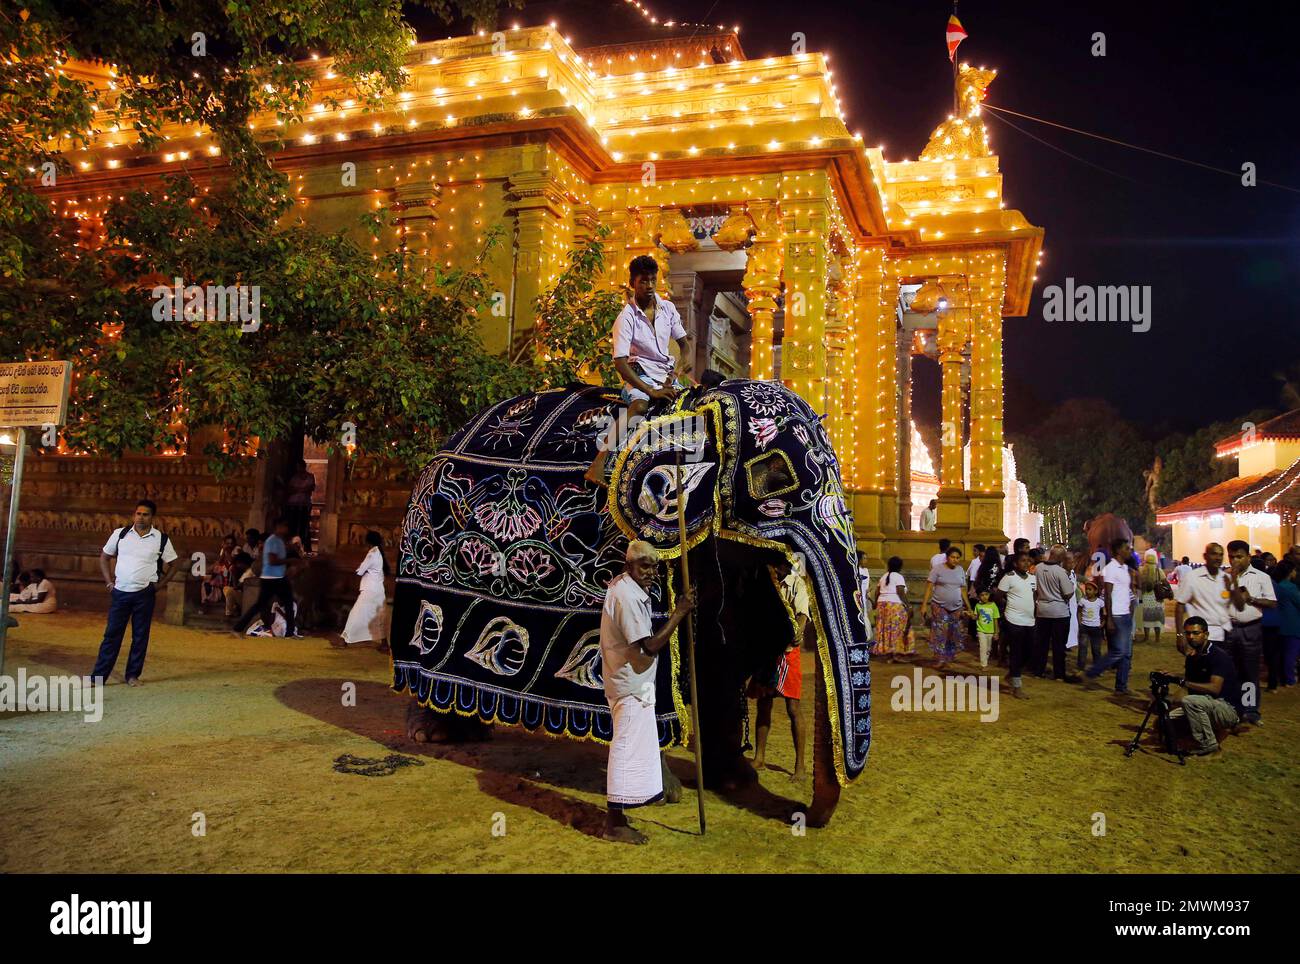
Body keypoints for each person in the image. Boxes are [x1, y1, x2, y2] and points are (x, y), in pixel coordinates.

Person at [600, 540, 694, 845]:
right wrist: (679, 613)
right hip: (628, 685)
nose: (651, 572)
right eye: (644, 566)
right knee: (624, 749)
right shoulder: (626, 596)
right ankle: (614, 822)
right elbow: (649, 645)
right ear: (629, 566)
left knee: (635, 748)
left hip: (637, 682)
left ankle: (626, 809)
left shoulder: (631, 590)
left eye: (654, 566)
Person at [585, 255, 689, 486]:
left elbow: (685, 345)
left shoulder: (668, 309)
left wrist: (682, 366)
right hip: (638, 374)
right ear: (633, 282)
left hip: (665, 375)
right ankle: (598, 463)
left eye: (653, 280)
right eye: (643, 281)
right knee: (640, 405)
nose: (649, 286)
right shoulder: (626, 318)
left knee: (690, 406)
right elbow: (621, 364)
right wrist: (651, 391)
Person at [90, 500, 180, 686]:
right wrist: (108, 582)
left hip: (144, 594)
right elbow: (104, 557)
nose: (140, 517)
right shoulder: (120, 534)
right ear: (134, 515)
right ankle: (98, 677)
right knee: (111, 635)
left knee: (140, 636)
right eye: (138, 513)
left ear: (152, 517)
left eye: (145, 514)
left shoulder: (160, 538)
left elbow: (174, 565)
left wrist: (159, 585)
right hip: (120, 591)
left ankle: (132, 676)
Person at [750, 557, 810, 781]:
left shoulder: (797, 584)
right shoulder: (765, 583)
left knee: (793, 708)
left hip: (787, 652)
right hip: (767, 650)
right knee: (764, 704)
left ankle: (800, 766)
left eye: (778, 566)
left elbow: (803, 613)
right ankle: (760, 757)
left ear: (786, 566)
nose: (774, 569)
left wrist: (799, 630)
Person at [1166, 617, 1240, 756]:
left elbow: (1214, 688)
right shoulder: (1192, 657)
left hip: (1227, 708)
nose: (1190, 637)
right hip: (1206, 704)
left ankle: (1209, 744)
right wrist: (1167, 701)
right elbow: (1187, 689)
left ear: (1206, 634)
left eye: (1195, 633)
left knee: (1190, 702)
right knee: (1167, 719)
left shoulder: (1218, 656)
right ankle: (1206, 731)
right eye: (1187, 633)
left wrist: (1182, 681)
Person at [1224, 539, 1274, 725]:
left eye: (1239, 556)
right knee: (1230, 670)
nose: (1235, 560)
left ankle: (1250, 710)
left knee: (1249, 671)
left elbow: (1272, 603)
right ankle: (1233, 708)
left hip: (1250, 629)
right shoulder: (1224, 577)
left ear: (1248, 557)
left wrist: (1251, 599)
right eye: (1231, 556)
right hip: (1229, 628)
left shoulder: (1261, 577)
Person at [1085, 538, 1137, 694]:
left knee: (1126, 654)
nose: (1129, 551)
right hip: (1117, 615)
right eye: (1126, 548)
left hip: (1125, 615)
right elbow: (1107, 594)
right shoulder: (1111, 569)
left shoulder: (1124, 568)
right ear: (1118, 550)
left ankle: (1121, 686)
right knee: (1118, 651)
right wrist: (1109, 618)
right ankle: (1092, 672)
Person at [232, 519, 299, 640]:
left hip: (279, 577)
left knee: (288, 603)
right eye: (284, 526)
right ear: (278, 527)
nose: (286, 529)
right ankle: (238, 628)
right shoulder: (272, 541)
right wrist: (290, 561)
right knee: (259, 605)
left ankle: (290, 633)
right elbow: (272, 560)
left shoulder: (280, 541)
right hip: (270, 578)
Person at [994, 551, 1036, 699]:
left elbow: (1034, 595)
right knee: (1016, 652)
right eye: (1023, 561)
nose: (1026, 563)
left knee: (1029, 652)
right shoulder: (1009, 578)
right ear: (1015, 563)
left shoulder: (1032, 578)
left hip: (1030, 620)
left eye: (1028, 561)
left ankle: (1012, 674)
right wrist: (1007, 606)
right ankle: (1017, 686)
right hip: (1013, 620)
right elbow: (998, 596)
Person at [1174, 543, 1231, 651]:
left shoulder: (1226, 579)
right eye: (1214, 554)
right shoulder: (1193, 577)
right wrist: (1180, 635)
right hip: (1201, 637)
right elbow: (1180, 606)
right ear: (1205, 556)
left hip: (1225, 635)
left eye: (1220, 555)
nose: (1218, 558)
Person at [922, 545, 972, 668]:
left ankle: (949, 655)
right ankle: (940, 657)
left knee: (953, 632)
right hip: (940, 605)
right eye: (952, 557)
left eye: (957, 557)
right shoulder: (937, 569)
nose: (955, 559)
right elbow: (929, 587)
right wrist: (924, 605)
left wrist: (968, 606)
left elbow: (963, 589)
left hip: (957, 607)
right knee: (941, 631)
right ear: (947, 557)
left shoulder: (960, 570)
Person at [1032, 545, 1077, 682]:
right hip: (1059, 612)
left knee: (1042, 644)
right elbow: (1068, 593)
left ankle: (1038, 671)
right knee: (1059, 645)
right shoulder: (1060, 572)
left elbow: (1035, 589)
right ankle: (1059, 674)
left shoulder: (1038, 568)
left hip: (1042, 611)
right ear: (1061, 557)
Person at [340, 531, 390, 648]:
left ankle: (344, 640)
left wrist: (360, 571)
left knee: (355, 614)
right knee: (379, 616)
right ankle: (384, 643)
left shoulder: (372, 553)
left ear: (368, 541)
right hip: (378, 590)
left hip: (369, 590)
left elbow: (361, 570)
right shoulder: (379, 553)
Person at [872, 556, 913, 659]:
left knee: (884, 627)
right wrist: (908, 605)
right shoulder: (899, 577)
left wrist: (875, 604)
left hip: (882, 605)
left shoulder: (884, 576)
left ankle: (886, 651)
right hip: (894, 605)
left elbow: (877, 592)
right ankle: (896, 651)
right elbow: (900, 591)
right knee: (898, 627)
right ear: (900, 566)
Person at [1271, 560, 1300, 687]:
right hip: (1293, 624)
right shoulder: (1291, 587)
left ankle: (1283, 677)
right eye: (1294, 570)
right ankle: (1290, 679)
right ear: (1290, 572)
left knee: (1283, 654)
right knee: (1291, 654)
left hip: (1280, 623)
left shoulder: (1278, 585)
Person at [1135, 548, 1169, 643]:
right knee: (1157, 620)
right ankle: (1157, 638)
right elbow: (1165, 582)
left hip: (1146, 597)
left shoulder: (1141, 570)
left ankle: (1146, 637)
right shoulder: (1159, 571)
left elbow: (1138, 584)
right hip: (1157, 598)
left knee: (1146, 619)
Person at [283, 459, 316, 553]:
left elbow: (310, 488)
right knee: (293, 525)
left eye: (299, 466)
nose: (298, 468)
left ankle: (306, 547)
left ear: (303, 466)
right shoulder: (294, 478)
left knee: (304, 525)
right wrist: (302, 489)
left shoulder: (310, 477)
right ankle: (292, 546)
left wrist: (298, 489)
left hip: (305, 504)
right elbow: (290, 489)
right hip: (293, 504)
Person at [201, 534, 237, 610]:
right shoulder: (224, 549)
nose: (229, 545)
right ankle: (205, 600)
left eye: (231, 543)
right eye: (227, 543)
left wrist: (226, 551)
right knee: (206, 580)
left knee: (217, 573)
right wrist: (224, 550)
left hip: (232, 570)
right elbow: (220, 561)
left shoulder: (236, 549)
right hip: (223, 571)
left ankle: (207, 600)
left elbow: (231, 561)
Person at [1076, 581, 1105, 671]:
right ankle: (1081, 667)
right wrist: (1080, 622)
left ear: (1095, 591)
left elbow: (1104, 613)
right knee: (1082, 648)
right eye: (1086, 589)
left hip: (1096, 628)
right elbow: (1079, 611)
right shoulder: (1082, 601)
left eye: (1090, 589)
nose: (1087, 591)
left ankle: (1097, 668)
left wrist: (1102, 624)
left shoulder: (1100, 602)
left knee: (1096, 649)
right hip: (1085, 627)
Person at [973, 589, 999, 669]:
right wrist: (970, 615)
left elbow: (995, 619)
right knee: (983, 647)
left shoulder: (993, 605)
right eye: (982, 595)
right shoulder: (978, 606)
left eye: (986, 594)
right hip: (981, 630)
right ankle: (984, 664)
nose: (984, 597)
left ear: (989, 595)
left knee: (988, 648)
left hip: (990, 631)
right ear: (979, 597)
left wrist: (996, 632)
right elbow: (976, 617)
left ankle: (985, 661)